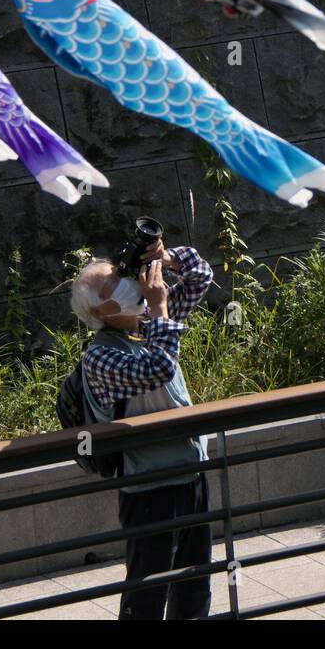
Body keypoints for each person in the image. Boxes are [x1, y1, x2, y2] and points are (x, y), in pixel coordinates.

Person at [69, 240, 214, 620]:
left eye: (121, 274)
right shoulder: (99, 357)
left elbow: (200, 277)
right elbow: (158, 370)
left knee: (194, 586)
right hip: (149, 487)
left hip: (190, 473)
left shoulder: (149, 323)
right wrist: (161, 306)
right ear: (100, 310)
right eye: (113, 284)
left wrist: (164, 258)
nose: (126, 282)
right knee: (147, 596)